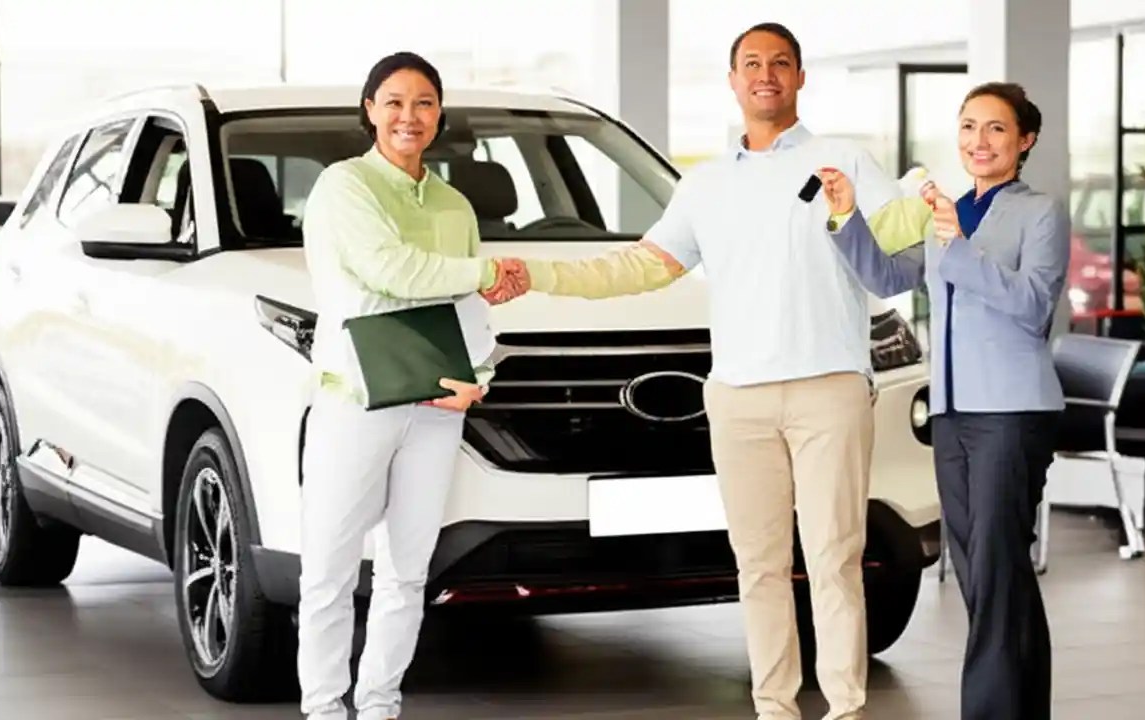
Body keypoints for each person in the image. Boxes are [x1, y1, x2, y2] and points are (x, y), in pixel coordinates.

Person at [494, 23, 930, 720]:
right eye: (751, 64)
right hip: (736, 400)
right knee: (757, 567)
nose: (766, 74)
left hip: (830, 393)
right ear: (733, 81)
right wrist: (536, 272)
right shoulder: (707, 185)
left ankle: (847, 708)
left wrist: (850, 216)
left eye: (780, 63)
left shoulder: (843, 160)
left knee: (833, 560)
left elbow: (901, 269)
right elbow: (637, 267)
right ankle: (775, 707)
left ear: (799, 77)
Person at [819, 81, 1069, 720]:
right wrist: (846, 217)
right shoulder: (948, 211)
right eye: (967, 127)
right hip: (953, 412)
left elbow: (1033, 305)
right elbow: (888, 277)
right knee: (984, 570)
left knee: (993, 565)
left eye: (994, 129)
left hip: (1013, 412)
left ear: (1024, 140)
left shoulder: (1040, 213)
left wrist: (956, 248)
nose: (977, 141)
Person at [295, 51, 526, 720]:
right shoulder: (345, 187)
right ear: (369, 110)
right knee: (329, 570)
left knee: (408, 570)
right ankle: (323, 707)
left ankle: (380, 704)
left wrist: (475, 380)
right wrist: (483, 271)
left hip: (436, 406)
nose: (409, 115)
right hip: (355, 401)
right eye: (394, 101)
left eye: (423, 102)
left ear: (439, 115)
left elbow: (469, 311)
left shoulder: (454, 204)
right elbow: (389, 270)